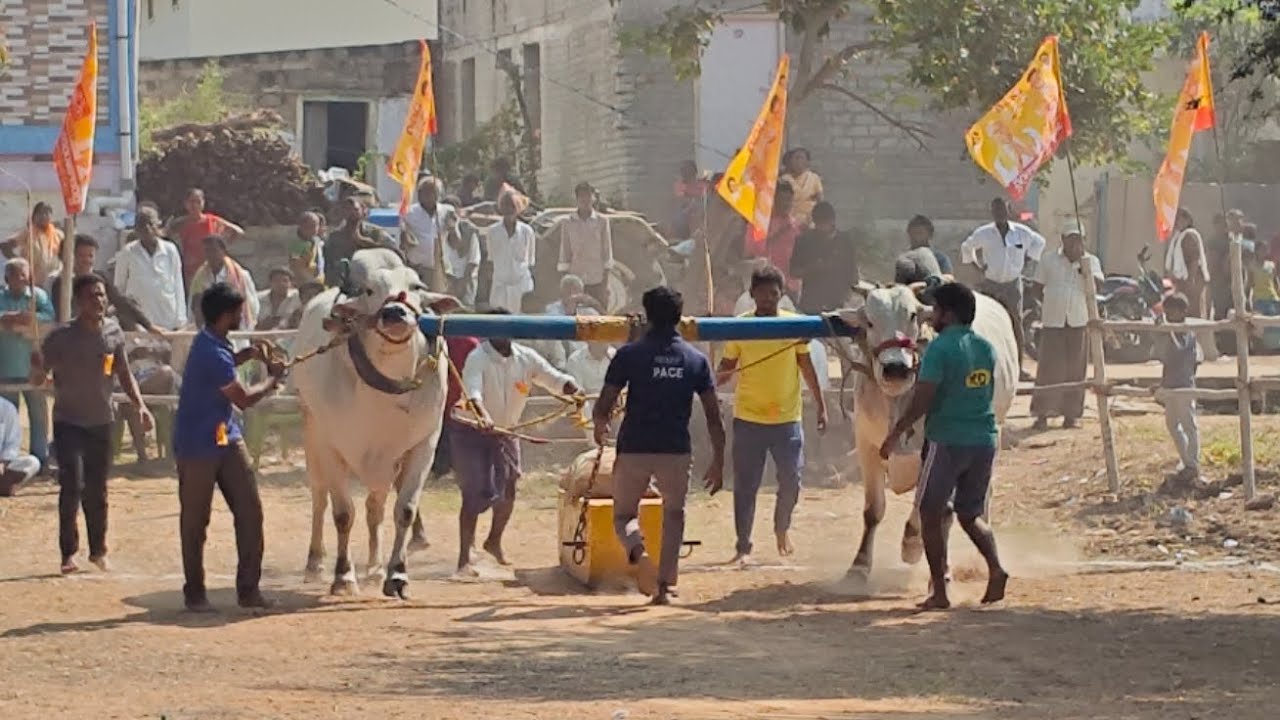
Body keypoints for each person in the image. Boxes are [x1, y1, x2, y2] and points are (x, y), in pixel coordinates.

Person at [878, 281, 1008, 611]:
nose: (931, 316)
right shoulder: (985, 348)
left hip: (948, 440)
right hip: (984, 439)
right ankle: (996, 567)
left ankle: (939, 589)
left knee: (929, 512)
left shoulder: (939, 349)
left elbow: (924, 396)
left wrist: (897, 431)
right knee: (970, 514)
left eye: (935, 311)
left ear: (947, 315)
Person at [594, 286, 726, 604]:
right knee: (675, 515)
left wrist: (600, 426)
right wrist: (719, 460)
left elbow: (604, 404)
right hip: (676, 450)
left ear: (647, 316)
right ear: (680, 317)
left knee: (624, 516)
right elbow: (713, 415)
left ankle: (640, 556)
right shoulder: (695, 359)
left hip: (635, 447)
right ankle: (665, 586)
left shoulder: (629, 355)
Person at [31, 275, 153, 574]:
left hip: (102, 420)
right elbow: (38, 378)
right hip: (68, 421)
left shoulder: (113, 333)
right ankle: (68, 552)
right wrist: (36, 367)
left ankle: (98, 550)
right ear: (78, 302)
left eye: (101, 295)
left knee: (98, 491)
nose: (97, 301)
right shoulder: (60, 338)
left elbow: (123, 373)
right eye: (90, 296)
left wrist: (140, 405)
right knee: (71, 485)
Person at [174, 282, 283, 612]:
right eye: (237, 313)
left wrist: (246, 356)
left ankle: (248, 590)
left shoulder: (212, 343)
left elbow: (223, 369)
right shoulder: (211, 352)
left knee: (250, 512)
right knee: (196, 521)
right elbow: (244, 399)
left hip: (223, 435)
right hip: (199, 443)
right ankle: (195, 592)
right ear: (225, 316)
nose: (241, 317)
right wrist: (273, 379)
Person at [455, 309, 580, 575]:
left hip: (507, 431)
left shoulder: (526, 357)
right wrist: (483, 417)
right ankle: (465, 555)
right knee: (475, 491)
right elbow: (472, 393)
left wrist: (572, 389)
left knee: (510, 486)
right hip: (473, 432)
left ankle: (494, 541)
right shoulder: (476, 358)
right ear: (489, 332)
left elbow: (553, 378)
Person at [717, 265, 828, 563]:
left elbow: (806, 367)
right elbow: (726, 368)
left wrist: (821, 405)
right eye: (762, 293)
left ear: (782, 294)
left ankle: (782, 528)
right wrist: (713, 380)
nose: (768, 298)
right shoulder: (739, 326)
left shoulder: (795, 326)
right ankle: (743, 546)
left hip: (787, 419)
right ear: (752, 294)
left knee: (791, 480)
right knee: (745, 485)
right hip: (749, 418)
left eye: (774, 293)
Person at [960, 198, 1046, 379]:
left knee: (1016, 324)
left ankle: (1018, 368)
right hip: (991, 284)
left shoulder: (1021, 233)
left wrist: (1026, 261)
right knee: (986, 324)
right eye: (996, 211)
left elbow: (1040, 243)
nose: (999, 214)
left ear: (1008, 212)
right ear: (992, 213)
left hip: (1013, 284)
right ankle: (986, 366)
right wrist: (977, 267)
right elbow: (967, 247)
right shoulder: (984, 233)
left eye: (1002, 211)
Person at [1030, 222, 1103, 430]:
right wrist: (1049, 304)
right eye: (1070, 238)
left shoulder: (1091, 261)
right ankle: (1042, 413)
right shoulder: (1049, 259)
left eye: (1078, 239)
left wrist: (1084, 268)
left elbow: (1098, 286)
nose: (1074, 243)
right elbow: (1037, 288)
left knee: (1075, 369)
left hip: (1078, 320)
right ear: (1063, 239)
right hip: (1053, 321)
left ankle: (1071, 415)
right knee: (1048, 369)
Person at [0, 258, 54, 470]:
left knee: (38, 415)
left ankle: (40, 458)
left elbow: (49, 316)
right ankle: (7, 461)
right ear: (7, 278)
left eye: (24, 275)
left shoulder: (38, 296)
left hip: (33, 366)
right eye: (16, 275)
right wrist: (10, 317)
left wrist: (31, 317)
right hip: (6, 366)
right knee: (6, 417)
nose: (21, 279)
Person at [50, 234, 157, 330]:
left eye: (90, 256)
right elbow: (63, 316)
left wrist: (149, 325)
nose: (87, 260)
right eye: (81, 256)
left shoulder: (100, 278)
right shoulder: (61, 284)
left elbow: (120, 302)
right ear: (70, 257)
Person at [403, 178, 480, 304]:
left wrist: (452, 228)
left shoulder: (447, 211)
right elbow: (405, 241)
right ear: (419, 194)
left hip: (442, 270)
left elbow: (456, 244)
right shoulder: (409, 213)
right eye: (425, 192)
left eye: (433, 192)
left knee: (440, 306)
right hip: (419, 270)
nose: (429, 196)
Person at [115, 206, 189, 331]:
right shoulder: (128, 252)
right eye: (142, 224)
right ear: (136, 228)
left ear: (158, 224)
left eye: (150, 223)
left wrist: (181, 320)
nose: (147, 228)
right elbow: (119, 289)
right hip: (141, 326)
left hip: (168, 322)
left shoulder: (170, 250)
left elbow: (178, 285)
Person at [1154, 293, 1202, 483]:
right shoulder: (1171, 330)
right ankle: (1186, 460)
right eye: (1167, 310)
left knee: (1189, 425)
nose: (1169, 314)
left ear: (1183, 311)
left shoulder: (1186, 332)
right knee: (1172, 424)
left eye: (1172, 310)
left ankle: (1193, 464)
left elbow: (1180, 348)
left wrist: (1166, 329)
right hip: (1169, 383)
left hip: (1183, 384)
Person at [789, 201, 860, 314]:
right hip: (811, 303)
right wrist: (812, 268)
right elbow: (793, 272)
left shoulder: (845, 242)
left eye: (825, 222)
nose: (822, 228)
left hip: (838, 304)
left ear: (833, 221)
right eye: (819, 223)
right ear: (814, 222)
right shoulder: (804, 241)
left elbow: (853, 274)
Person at [166, 188, 245, 285]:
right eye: (191, 202)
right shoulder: (181, 223)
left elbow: (238, 231)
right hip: (191, 272)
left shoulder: (212, 221)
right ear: (186, 204)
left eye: (198, 202)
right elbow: (165, 234)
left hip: (211, 268)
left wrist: (222, 248)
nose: (195, 205)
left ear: (203, 203)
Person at [556, 182, 614, 308]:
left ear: (593, 198)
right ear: (576, 199)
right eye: (581, 196)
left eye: (588, 195)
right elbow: (565, 253)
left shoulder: (602, 221)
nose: (585, 199)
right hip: (576, 281)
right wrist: (566, 284)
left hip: (597, 280)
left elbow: (607, 253)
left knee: (598, 318)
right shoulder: (567, 222)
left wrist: (605, 284)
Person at [744, 182, 802, 296]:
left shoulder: (795, 225)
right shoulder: (760, 223)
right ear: (774, 200)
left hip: (791, 285)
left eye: (790, 200)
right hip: (767, 284)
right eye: (783, 199)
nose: (787, 204)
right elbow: (753, 251)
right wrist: (777, 234)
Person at [324, 197, 396, 287]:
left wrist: (365, 242)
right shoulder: (335, 237)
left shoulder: (376, 233)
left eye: (355, 210)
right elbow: (329, 264)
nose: (351, 213)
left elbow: (393, 252)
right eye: (347, 210)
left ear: (363, 211)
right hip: (344, 284)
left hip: (373, 282)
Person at [189, 235, 259, 329]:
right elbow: (194, 304)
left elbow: (252, 304)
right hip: (210, 329)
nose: (210, 254)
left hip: (237, 330)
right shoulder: (199, 278)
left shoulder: (241, 275)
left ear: (223, 251)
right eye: (207, 251)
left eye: (214, 250)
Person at [486, 191, 537, 312]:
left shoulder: (527, 231)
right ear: (501, 208)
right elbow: (491, 260)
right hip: (500, 288)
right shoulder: (492, 231)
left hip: (522, 287)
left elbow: (530, 261)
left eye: (512, 206)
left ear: (518, 208)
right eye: (505, 205)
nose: (508, 209)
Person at [2, 201, 63, 288]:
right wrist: (20, 264)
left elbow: (68, 253)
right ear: (34, 216)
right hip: (32, 283)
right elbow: (5, 245)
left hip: (53, 283)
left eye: (46, 213)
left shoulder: (58, 235)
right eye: (40, 213)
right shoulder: (28, 233)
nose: (43, 216)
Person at [1165, 207, 1209, 318]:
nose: (1176, 222)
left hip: (1192, 278)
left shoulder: (1189, 236)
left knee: (1193, 309)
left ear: (1187, 220)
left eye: (1179, 219)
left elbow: (1194, 259)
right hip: (1182, 280)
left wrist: (1191, 279)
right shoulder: (1178, 236)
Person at [0, 396, 41, 496]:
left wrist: (3, 463)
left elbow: (12, 443)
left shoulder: (6, 408)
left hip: (2, 465)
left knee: (32, 462)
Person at [780, 148, 824, 227]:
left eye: (801, 158)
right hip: (789, 222)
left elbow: (820, 201)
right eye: (796, 158)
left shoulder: (814, 178)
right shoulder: (784, 180)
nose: (798, 161)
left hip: (810, 222)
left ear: (807, 162)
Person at [671, 160, 709, 239]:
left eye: (689, 172)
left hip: (703, 212)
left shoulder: (702, 184)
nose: (687, 175)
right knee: (679, 218)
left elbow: (705, 198)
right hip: (685, 212)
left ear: (694, 173)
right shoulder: (680, 185)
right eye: (685, 172)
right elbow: (680, 201)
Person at [289, 211, 325, 285]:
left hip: (320, 280)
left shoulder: (317, 242)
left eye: (315, 226)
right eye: (308, 226)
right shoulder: (297, 245)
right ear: (301, 227)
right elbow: (296, 266)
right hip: (305, 283)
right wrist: (311, 280)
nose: (312, 229)